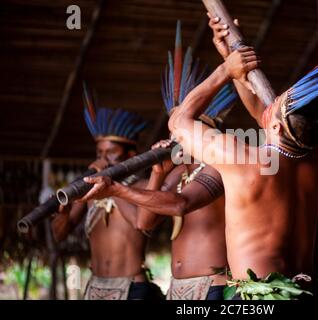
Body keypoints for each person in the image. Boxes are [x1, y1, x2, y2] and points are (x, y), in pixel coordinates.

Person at [166, 19, 318, 300]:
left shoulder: (242, 161)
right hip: (305, 291)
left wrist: (224, 71)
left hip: (261, 298)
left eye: (275, 104)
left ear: (276, 128)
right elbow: (266, 118)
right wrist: (234, 63)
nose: (270, 104)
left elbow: (178, 122)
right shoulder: (314, 154)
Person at [79, 21, 238, 300]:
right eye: (172, 131)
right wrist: (158, 173)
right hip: (178, 290)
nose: (174, 138)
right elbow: (145, 223)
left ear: (202, 132)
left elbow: (181, 204)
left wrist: (116, 188)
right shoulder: (179, 174)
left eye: (180, 131)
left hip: (215, 287)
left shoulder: (217, 167)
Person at [51, 85, 163, 300]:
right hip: (95, 285)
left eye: (111, 153)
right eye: (100, 153)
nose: (104, 158)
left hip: (133, 288)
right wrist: (63, 213)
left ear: (131, 155)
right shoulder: (89, 193)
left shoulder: (143, 186)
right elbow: (59, 235)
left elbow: (140, 223)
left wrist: (111, 189)